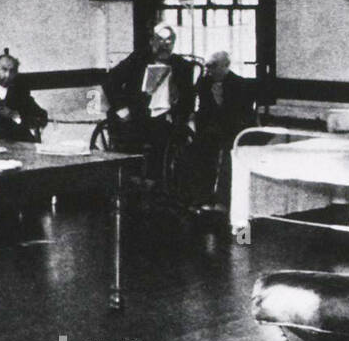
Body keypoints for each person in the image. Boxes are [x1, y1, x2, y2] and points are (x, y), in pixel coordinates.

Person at [102, 23, 196, 175]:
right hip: (135, 116)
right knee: (132, 142)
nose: (165, 45)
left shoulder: (182, 66)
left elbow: (188, 98)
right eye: (160, 40)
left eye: (169, 40)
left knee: (168, 140)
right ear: (152, 40)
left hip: (166, 120)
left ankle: (158, 182)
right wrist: (122, 108)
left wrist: (179, 114)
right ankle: (133, 178)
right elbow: (110, 81)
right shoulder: (137, 59)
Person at [189, 51, 256, 206]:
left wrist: (219, 102)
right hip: (210, 129)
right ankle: (201, 196)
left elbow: (242, 115)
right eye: (207, 66)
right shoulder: (204, 83)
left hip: (234, 130)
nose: (209, 70)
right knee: (195, 151)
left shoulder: (240, 84)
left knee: (227, 156)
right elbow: (202, 110)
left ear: (226, 66)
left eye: (213, 66)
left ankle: (224, 199)